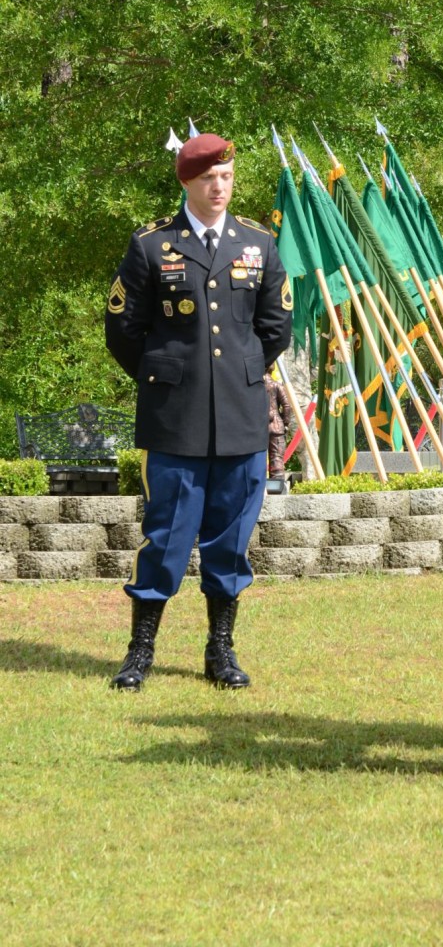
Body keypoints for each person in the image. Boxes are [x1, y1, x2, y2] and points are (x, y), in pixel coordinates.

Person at [105, 132, 292, 691]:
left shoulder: (258, 243)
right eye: (209, 177)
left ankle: (220, 652)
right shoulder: (151, 246)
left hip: (239, 418)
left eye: (228, 176)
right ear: (187, 181)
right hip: (174, 419)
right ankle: (140, 652)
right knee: (164, 539)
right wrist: (168, 377)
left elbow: (276, 327)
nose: (220, 186)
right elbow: (122, 330)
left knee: (231, 542)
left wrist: (236, 375)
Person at [264, 365, 290, 483]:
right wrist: (285, 422)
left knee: (258, 457)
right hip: (276, 425)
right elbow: (286, 406)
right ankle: (277, 483)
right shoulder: (277, 385)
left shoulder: (255, 387)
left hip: (259, 425)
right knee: (277, 457)